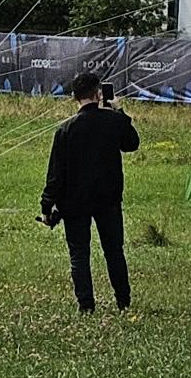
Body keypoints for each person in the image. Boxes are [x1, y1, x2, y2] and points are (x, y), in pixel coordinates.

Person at [40, 71, 140, 312]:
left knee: (79, 254)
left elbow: (55, 174)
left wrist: (46, 206)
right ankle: (123, 301)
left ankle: (86, 304)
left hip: (74, 202)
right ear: (98, 94)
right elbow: (132, 144)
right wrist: (118, 111)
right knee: (114, 251)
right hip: (108, 199)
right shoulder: (114, 122)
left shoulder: (65, 130)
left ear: (75, 97)